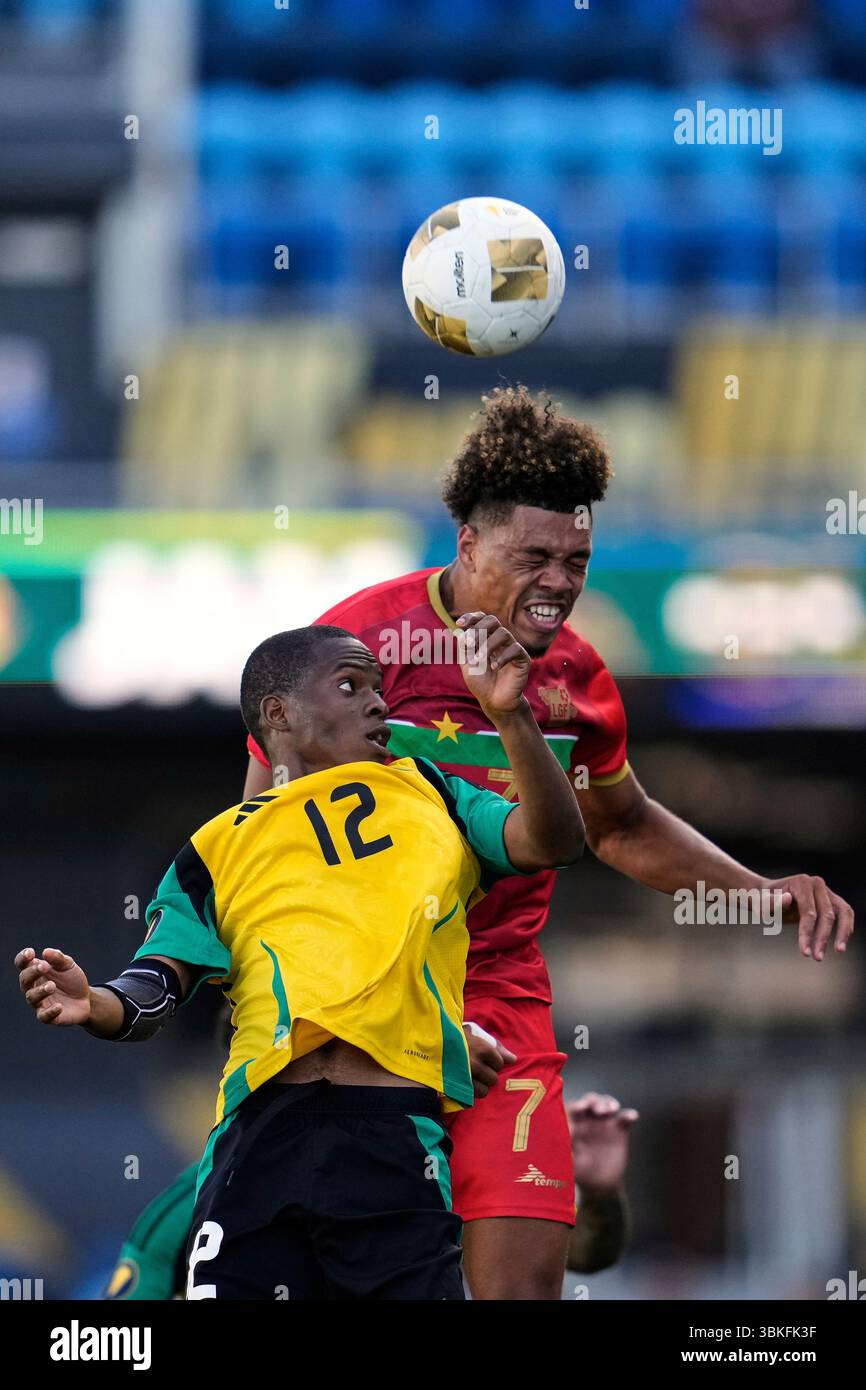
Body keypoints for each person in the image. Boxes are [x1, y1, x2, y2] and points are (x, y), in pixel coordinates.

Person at [242, 385, 855, 1300]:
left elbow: (620, 824)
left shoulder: (576, 675)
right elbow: (258, 840)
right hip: (360, 1007)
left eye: (577, 559)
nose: (561, 582)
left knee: (523, 1286)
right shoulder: (357, 649)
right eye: (535, 556)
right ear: (470, 544)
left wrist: (753, 888)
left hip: (504, 1000)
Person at [16, 616, 584, 1301]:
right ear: (279, 713)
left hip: (394, 1130)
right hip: (261, 1136)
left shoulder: (434, 792)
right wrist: (96, 1004)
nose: (379, 702)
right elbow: (159, 982)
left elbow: (552, 838)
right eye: (351, 685)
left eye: (379, 687)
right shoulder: (218, 844)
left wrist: (511, 715)